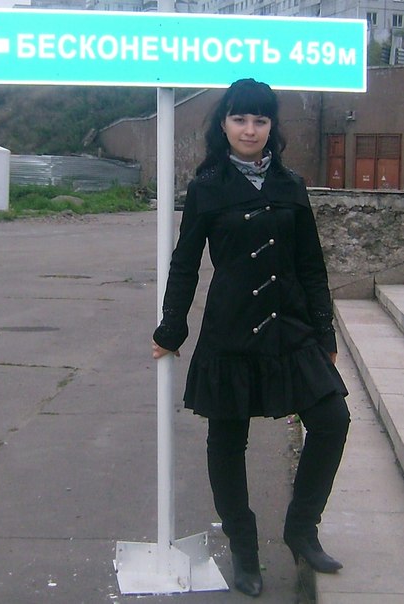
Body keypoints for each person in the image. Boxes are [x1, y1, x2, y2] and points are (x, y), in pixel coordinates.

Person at [151, 78, 350, 598]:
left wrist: (324, 330)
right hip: (231, 331)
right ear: (223, 124)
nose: (250, 129)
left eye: (260, 120)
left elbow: (311, 265)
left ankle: (301, 530)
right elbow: (185, 264)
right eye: (240, 118)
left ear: (271, 127)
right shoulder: (207, 187)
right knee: (227, 441)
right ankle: (243, 546)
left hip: (292, 330)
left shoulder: (291, 185)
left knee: (333, 420)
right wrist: (172, 327)